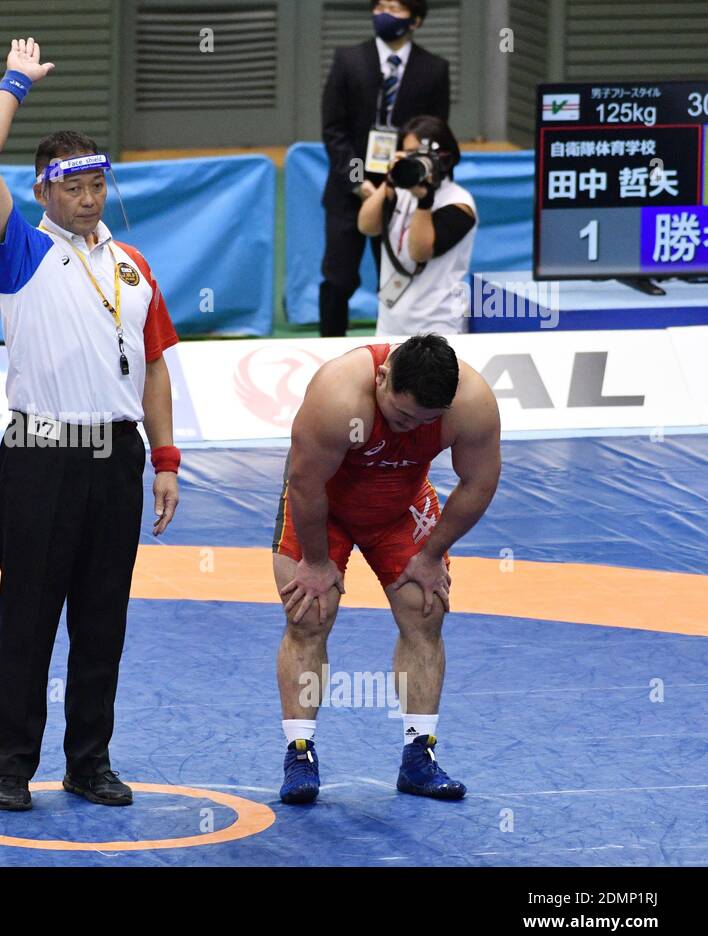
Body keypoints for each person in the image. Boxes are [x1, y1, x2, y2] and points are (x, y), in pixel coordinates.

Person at [0, 38, 181, 812]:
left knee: (103, 619)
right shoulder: (20, 253)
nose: (89, 198)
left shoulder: (134, 267)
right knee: (28, 613)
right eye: (75, 187)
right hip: (41, 453)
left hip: (117, 457)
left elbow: (154, 367)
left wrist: (166, 460)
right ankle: (11, 765)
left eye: (97, 183)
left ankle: (89, 762)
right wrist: (14, 81)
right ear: (46, 194)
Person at [272, 334, 500, 804]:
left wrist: (433, 554)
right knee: (309, 613)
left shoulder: (471, 403)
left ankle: (419, 755)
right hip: (324, 506)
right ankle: (300, 753)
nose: (409, 428)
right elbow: (306, 483)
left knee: (425, 608)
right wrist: (316, 561)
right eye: (401, 417)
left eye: (424, 422)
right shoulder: (337, 394)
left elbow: (479, 483)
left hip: (400, 506)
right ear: (382, 378)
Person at [320, 0, 450, 337]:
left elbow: (434, 134)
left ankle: (397, 354)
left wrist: (404, 179)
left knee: (396, 279)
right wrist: (358, 181)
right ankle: (328, 352)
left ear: (416, 21)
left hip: (403, 193)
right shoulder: (347, 60)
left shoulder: (434, 69)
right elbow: (334, 130)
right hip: (349, 191)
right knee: (339, 278)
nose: (384, 13)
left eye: (395, 7)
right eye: (380, 6)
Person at [358, 115, 476, 334]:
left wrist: (424, 200)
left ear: (445, 158)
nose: (417, 161)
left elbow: (419, 252)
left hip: (436, 328)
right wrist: (391, 180)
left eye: (422, 155)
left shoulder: (460, 203)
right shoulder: (400, 192)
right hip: (390, 323)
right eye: (409, 154)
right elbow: (366, 226)